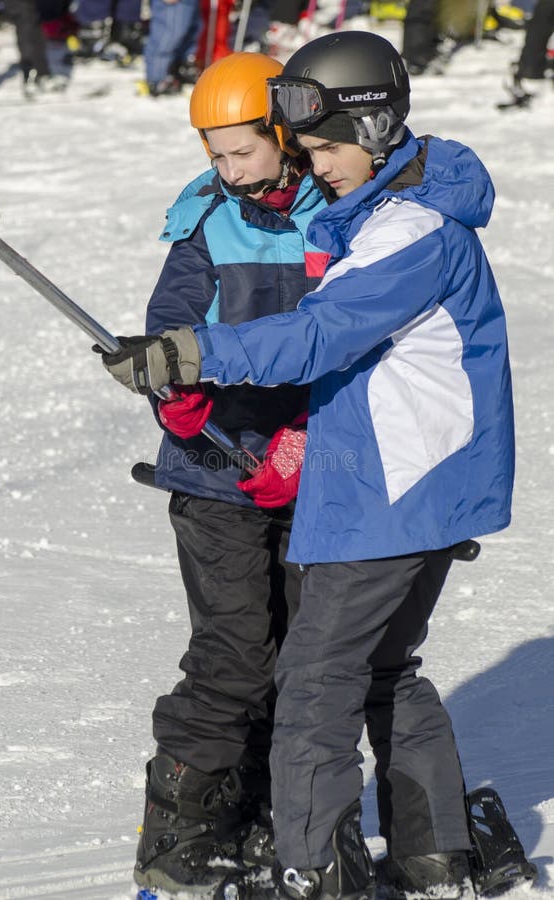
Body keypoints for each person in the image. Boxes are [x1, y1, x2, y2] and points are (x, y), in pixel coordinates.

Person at [101, 30, 518, 900]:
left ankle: (312, 868)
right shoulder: (362, 215)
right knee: (371, 669)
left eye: (321, 147)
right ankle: (430, 853)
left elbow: (321, 335)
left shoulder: (405, 228)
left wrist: (194, 354)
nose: (312, 165)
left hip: (378, 491)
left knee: (314, 680)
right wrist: (185, 381)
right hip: (365, 483)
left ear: (366, 135)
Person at [115, 51, 327, 896]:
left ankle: (280, 815)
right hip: (214, 476)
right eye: (215, 155)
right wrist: (175, 396)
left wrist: (304, 439)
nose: (228, 170)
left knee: (307, 658)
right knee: (235, 653)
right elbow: (169, 325)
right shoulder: (207, 221)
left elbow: (350, 341)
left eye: (242, 150)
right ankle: (181, 830)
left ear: (286, 134)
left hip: (317, 472)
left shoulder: (339, 215)